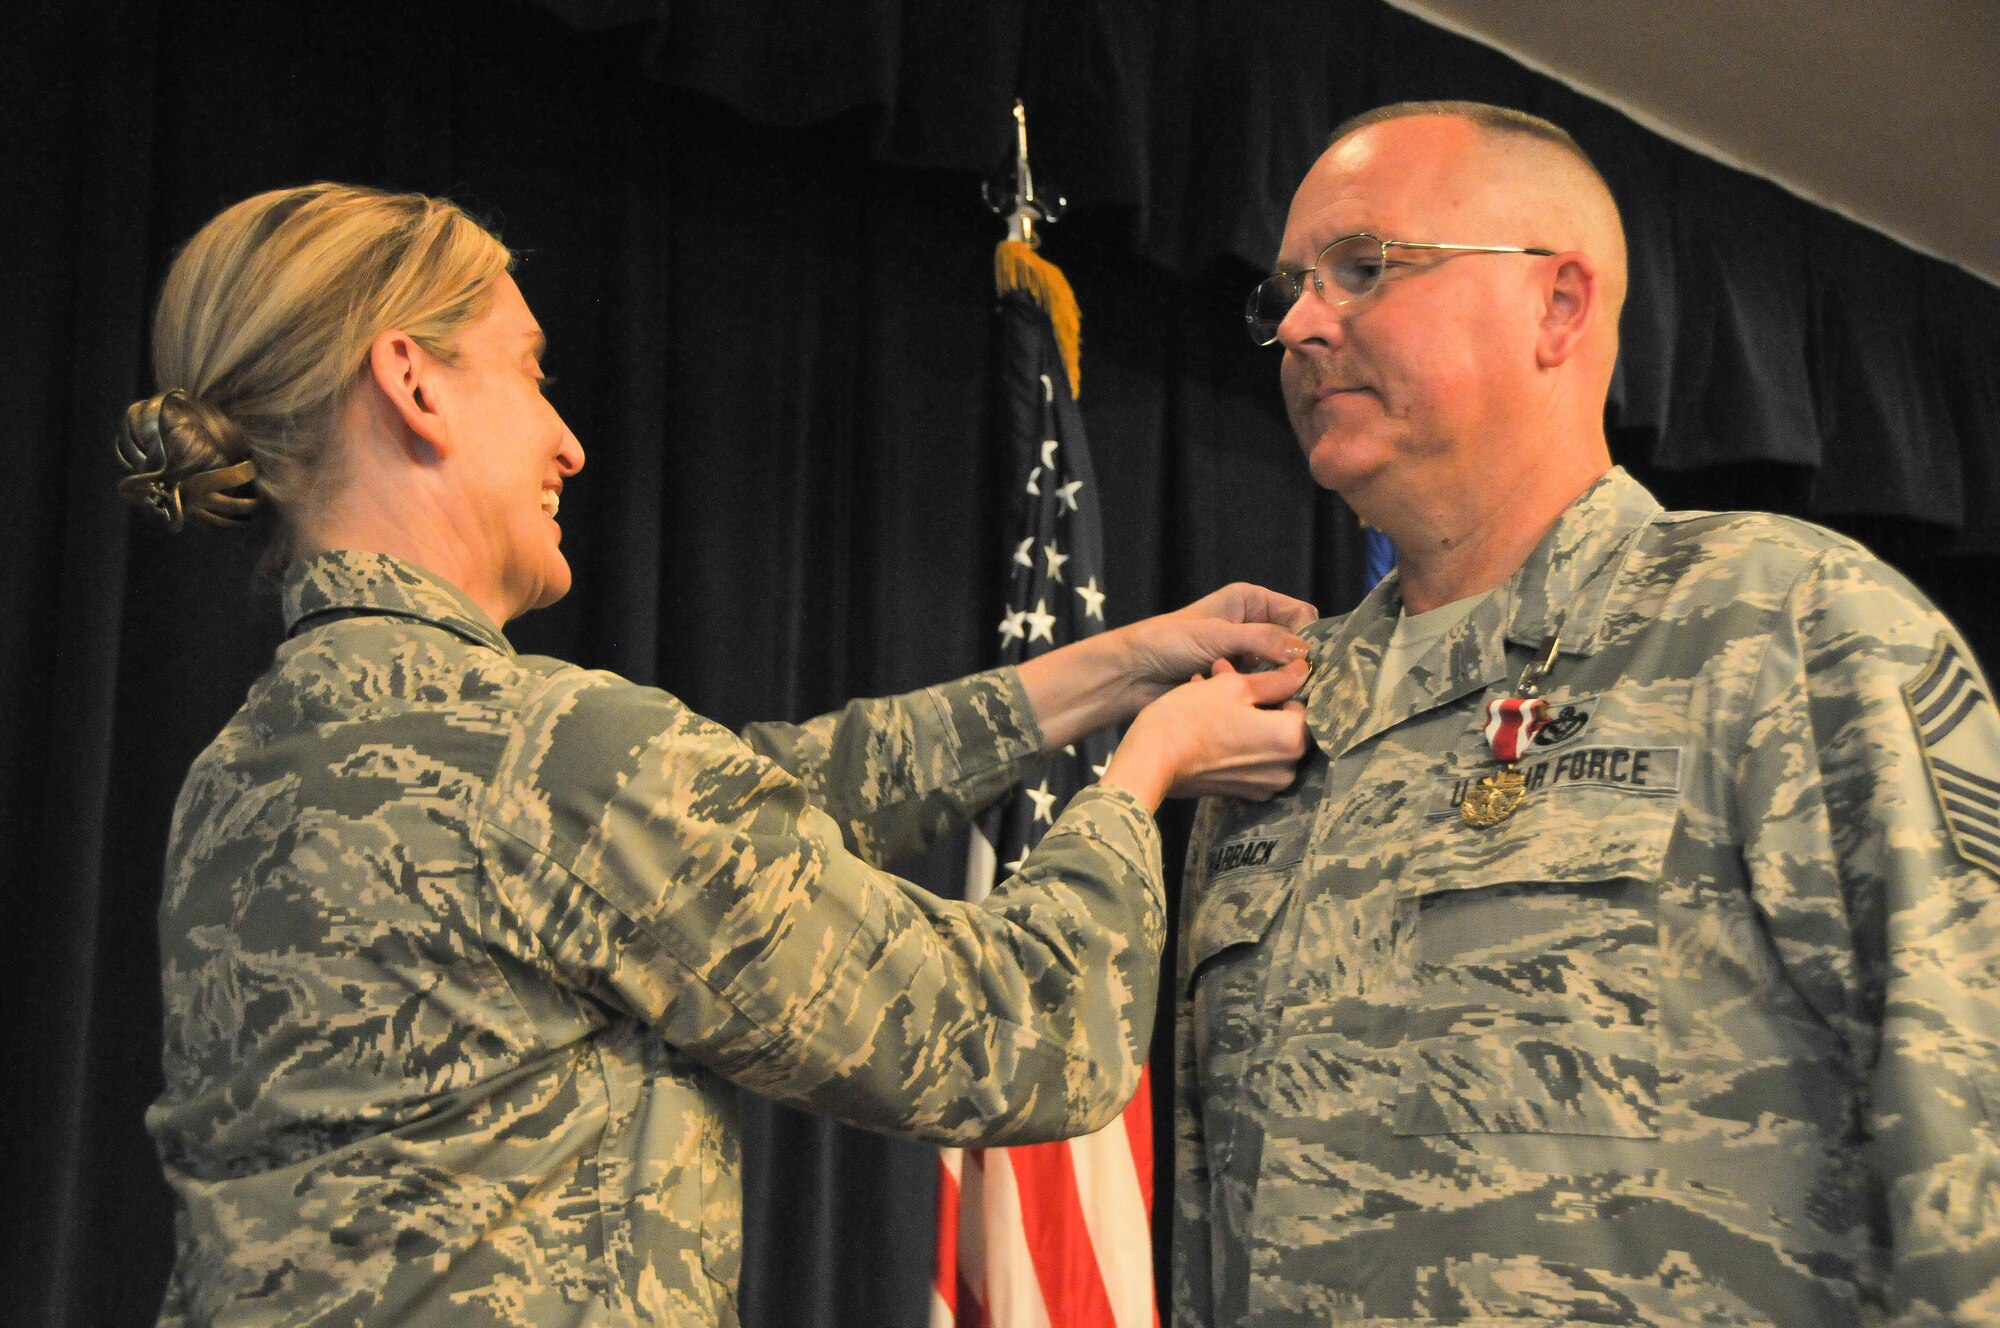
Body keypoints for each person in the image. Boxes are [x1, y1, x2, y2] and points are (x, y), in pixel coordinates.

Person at [117, 182, 1316, 1328]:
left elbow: (745, 794)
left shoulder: (238, 778)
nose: (568, 442)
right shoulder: (548, 755)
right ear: (411, 380)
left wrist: (1103, 672)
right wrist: (1145, 767)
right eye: (531, 371)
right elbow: (1017, 1031)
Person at [1174, 101, 2000, 1327]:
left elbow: (1967, 1147)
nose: (1297, 324)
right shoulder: (1276, 719)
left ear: (1557, 305)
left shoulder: (1789, 629)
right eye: (1286, 291)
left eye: (1361, 270)